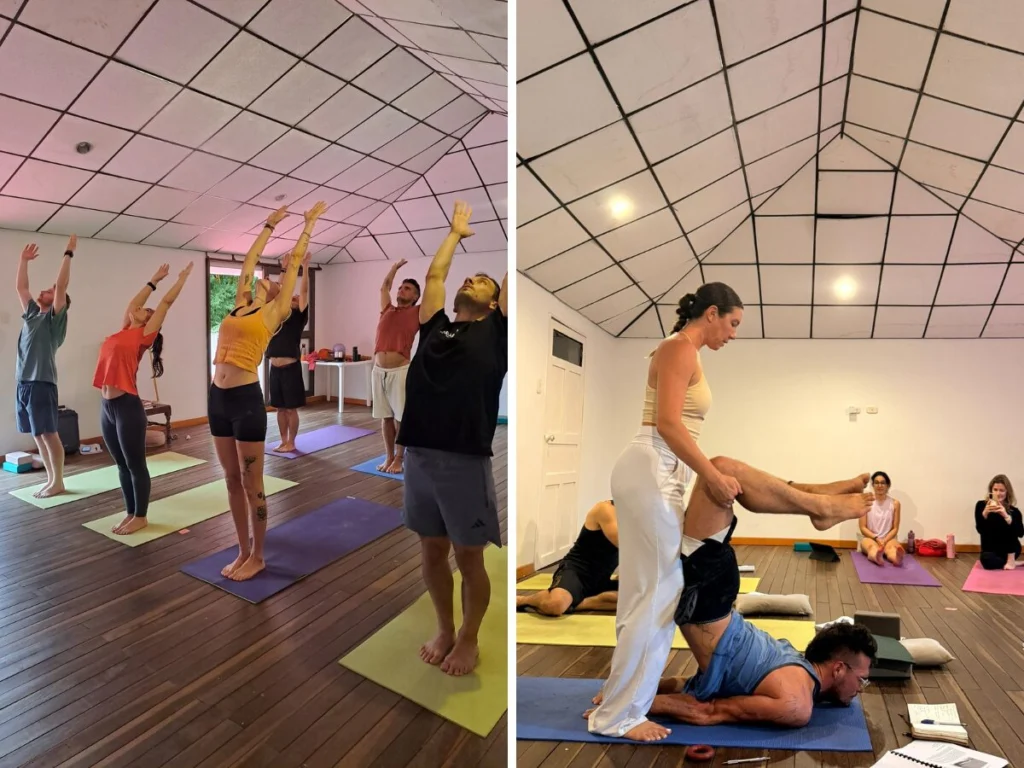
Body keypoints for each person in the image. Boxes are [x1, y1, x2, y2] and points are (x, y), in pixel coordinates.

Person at [587, 282, 873, 742]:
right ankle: (620, 716)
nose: (735, 334)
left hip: (660, 469)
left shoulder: (685, 351)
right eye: (734, 323)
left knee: (650, 594)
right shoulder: (678, 347)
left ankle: (622, 699)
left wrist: (704, 475)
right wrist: (708, 475)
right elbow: (666, 424)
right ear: (713, 313)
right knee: (657, 597)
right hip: (652, 465)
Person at [397, 200, 508, 677]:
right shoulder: (434, 328)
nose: (471, 281)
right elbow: (436, 276)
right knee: (431, 550)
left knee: (469, 557)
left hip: (464, 461)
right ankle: (445, 627)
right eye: (470, 278)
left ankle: (468, 637)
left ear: (494, 301)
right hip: (418, 454)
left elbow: (510, 287)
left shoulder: (497, 333)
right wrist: (454, 233)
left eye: (484, 282)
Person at [210, 202, 327, 582]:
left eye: (274, 282)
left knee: (251, 481)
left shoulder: (274, 313)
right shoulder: (240, 305)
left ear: (279, 293)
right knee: (230, 479)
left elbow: (292, 267)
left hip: (245, 400)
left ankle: (259, 555)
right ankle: (243, 550)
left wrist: (307, 225)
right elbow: (249, 263)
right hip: (217, 398)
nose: (266, 278)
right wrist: (269, 226)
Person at [94, 262, 193, 534]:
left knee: (136, 464)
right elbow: (132, 303)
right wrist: (154, 279)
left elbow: (165, 303)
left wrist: (181, 280)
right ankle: (130, 513)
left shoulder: (143, 336)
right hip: (107, 406)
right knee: (121, 465)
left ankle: (141, 515)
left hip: (127, 406)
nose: (138, 308)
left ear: (149, 320)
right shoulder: (124, 330)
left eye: (144, 310)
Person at [641, 619, 876, 729]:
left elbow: (688, 686)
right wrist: (626, 704)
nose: (860, 689)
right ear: (838, 669)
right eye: (861, 679)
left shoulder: (793, 660)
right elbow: (709, 711)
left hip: (716, 611)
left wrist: (636, 688)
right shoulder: (797, 705)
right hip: (708, 600)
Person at [15, 236, 75, 499]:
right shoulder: (31, 314)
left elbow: (61, 284)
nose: (46, 290)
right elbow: (21, 287)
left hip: (42, 383)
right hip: (24, 384)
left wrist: (68, 253)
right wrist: (23, 261)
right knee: (37, 435)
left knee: (49, 434)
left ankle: (58, 481)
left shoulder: (55, 321)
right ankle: (51, 480)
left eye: (50, 291)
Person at [516, 500, 619, 615]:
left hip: (601, 578)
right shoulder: (605, 509)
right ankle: (524, 600)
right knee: (555, 604)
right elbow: (627, 546)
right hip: (577, 572)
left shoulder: (634, 519)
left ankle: (573, 604)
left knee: (637, 599)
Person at [373, 258, 421, 473]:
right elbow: (384, 287)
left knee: (401, 417)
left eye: (407, 288)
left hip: (400, 371)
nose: (401, 290)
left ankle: (400, 458)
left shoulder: (418, 312)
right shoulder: (387, 309)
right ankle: (389, 456)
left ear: (416, 296)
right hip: (378, 370)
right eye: (400, 287)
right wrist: (394, 268)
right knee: (386, 416)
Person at [268, 250, 311, 453]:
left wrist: (304, 268)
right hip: (274, 368)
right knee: (279, 408)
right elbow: (278, 291)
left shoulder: (299, 316)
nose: (293, 297)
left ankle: (292, 442)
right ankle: (283, 440)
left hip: (290, 367)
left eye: (294, 297)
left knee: (291, 408)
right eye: (291, 296)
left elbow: (304, 293)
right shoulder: (279, 313)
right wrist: (283, 270)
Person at [976, 474, 1023, 570]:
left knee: (1010, 523)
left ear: (1007, 492)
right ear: (991, 491)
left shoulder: (1014, 511)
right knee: (986, 560)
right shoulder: (981, 505)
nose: (998, 493)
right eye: (995, 490)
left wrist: (1006, 516)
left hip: (1010, 550)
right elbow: (980, 530)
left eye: (1002, 490)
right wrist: (984, 514)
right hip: (990, 550)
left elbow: (1020, 533)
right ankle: (1012, 562)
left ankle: (1011, 560)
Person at [858, 471, 904, 566]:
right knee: (872, 547)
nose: (880, 485)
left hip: (888, 538)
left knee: (891, 549)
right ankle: (876, 556)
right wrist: (876, 538)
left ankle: (896, 558)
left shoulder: (895, 504)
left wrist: (885, 540)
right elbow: (862, 527)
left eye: (883, 483)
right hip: (870, 537)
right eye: (877, 482)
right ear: (873, 485)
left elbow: (895, 528)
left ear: (887, 485)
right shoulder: (866, 502)